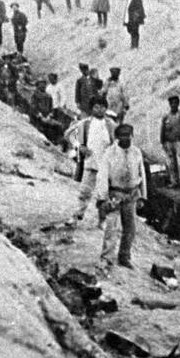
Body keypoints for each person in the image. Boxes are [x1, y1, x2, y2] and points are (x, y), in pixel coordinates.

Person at [95, 124, 146, 271]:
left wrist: (142, 195)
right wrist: (103, 197)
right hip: (115, 195)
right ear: (117, 137)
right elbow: (103, 175)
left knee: (130, 228)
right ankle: (106, 258)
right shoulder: (110, 153)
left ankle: (124, 256)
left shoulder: (136, 152)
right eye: (122, 135)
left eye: (128, 134)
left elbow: (141, 173)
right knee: (112, 228)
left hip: (131, 195)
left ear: (132, 135)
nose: (126, 137)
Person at [71, 98, 114, 220]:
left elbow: (116, 142)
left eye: (102, 107)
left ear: (106, 108)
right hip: (90, 163)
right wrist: (81, 147)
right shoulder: (85, 123)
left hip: (106, 165)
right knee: (85, 191)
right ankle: (77, 215)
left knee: (104, 194)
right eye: (96, 107)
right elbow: (70, 135)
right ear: (91, 109)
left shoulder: (111, 125)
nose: (99, 110)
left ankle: (102, 220)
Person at [159, 94, 180, 188]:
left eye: (175, 103)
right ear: (169, 104)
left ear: (178, 103)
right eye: (171, 103)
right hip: (169, 142)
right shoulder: (166, 117)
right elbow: (163, 130)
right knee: (171, 163)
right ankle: (174, 182)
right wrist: (163, 142)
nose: (173, 105)